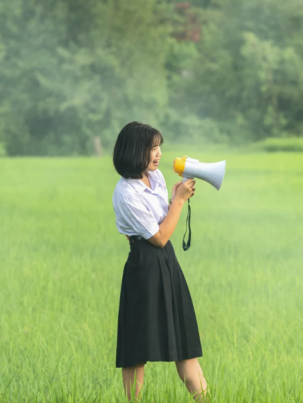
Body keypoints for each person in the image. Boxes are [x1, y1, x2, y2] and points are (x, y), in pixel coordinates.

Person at [111, 121, 207, 401]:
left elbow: (165, 224)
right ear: (134, 151)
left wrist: (176, 198)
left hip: (167, 263)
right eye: (152, 148)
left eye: (159, 147)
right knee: (136, 349)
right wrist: (178, 201)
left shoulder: (156, 178)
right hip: (144, 266)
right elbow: (160, 236)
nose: (159, 154)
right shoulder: (126, 193)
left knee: (185, 341)